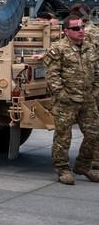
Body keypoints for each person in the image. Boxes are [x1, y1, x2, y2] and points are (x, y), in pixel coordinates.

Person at [42, 16, 99, 185]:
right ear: (66, 31)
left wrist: (95, 91)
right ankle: (62, 169)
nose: (81, 30)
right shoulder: (58, 49)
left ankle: (83, 166)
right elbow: (52, 76)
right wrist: (62, 95)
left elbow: (96, 71)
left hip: (88, 99)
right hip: (67, 101)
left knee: (94, 133)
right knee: (63, 136)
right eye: (76, 28)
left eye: (81, 27)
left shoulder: (90, 48)